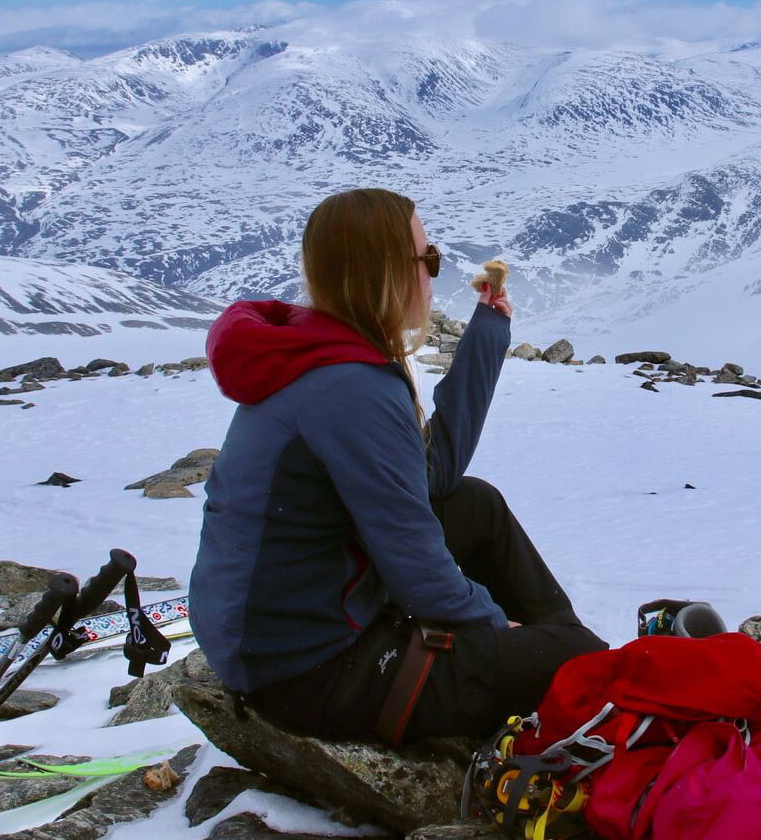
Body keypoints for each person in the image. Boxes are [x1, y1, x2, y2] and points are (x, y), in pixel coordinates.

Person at [189, 187, 606, 745]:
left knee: (473, 505)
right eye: (428, 259)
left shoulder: (320, 353)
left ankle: (561, 655)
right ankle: (584, 670)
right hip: (309, 671)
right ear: (385, 272)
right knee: (574, 658)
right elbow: (417, 569)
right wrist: (494, 625)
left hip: (276, 633)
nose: (436, 272)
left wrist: (485, 335)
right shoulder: (349, 388)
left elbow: (431, 478)